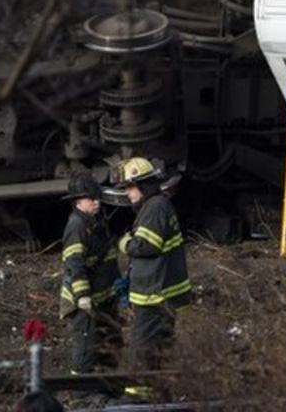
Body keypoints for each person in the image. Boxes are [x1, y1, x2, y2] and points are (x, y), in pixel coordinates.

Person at [114, 157, 191, 401]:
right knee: (159, 348)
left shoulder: (155, 207)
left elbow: (148, 245)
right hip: (160, 292)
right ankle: (160, 394)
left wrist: (125, 243)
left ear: (143, 184)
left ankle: (138, 398)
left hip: (155, 295)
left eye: (130, 187)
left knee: (142, 347)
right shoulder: (155, 206)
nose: (127, 194)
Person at [59, 171, 122, 375]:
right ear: (77, 201)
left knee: (110, 343)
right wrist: (83, 297)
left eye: (98, 197)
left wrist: (117, 287)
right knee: (86, 348)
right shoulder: (76, 226)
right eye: (91, 198)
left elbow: (108, 259)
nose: (97, 202)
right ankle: (82, 394)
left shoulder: (96, 221)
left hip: (103, 297)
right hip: (84, 302)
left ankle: (107, 387)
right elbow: (74, 265)